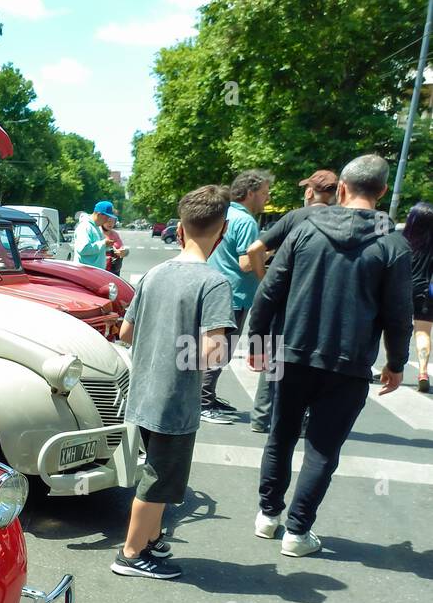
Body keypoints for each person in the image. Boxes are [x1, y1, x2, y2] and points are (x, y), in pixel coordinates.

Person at [247, 154, 412, 558]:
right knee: (322, 449)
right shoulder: (392, 243)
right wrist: (396, 362)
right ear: (384, 192)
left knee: (280, 435)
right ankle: (298, 532)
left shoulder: (305, 229)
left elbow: (272, 290)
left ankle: (268, 516)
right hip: (349, 362)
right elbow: (398, 313)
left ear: (341, 189)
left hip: (292, 351)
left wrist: (256, 340)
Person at [111, 185, 234, 580]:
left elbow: (126, 333)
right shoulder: (213, 283)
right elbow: (213, 354)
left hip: (143, 393)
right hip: (175, 401)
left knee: (157, 473)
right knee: (159, 478)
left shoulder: (153, 274)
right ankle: (131, 554)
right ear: (224, 229)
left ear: (179, 228)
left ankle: (149, 540)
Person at [239, 169, 338, 430]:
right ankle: (301, 420)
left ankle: (261, 418)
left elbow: (254, 249)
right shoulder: (343, 220)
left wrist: (265, 278)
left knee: (273, 354)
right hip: (327, 300)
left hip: (289, 296)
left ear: (309, 192)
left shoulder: (296, 217)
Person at [203, 169, 273, 423]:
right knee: (220, 351)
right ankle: (203, 402)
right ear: (251, 192)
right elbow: (246, 263)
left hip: (215, 289)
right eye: (264, 193)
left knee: (210, 347)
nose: (266, 198)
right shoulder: (245, 222)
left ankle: (206, 396)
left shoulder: (223, 213)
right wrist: (269, 253)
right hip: (234, 294)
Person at [403, 200, 433, 392]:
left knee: (395, 328)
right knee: (423, 332)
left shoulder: (403, 242)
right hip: (429, 292)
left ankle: (392, 364)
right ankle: (423, 371)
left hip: (403, 290)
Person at [74, 201, 117, 269]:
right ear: (99, 214)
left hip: (94, 272)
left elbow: (97, 248)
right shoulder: (85, 226)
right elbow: (83, 249)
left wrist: (107, 246)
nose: (107, 220)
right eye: (107, 217)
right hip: (85, 273)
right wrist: (104, 243)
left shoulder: (97, 227)